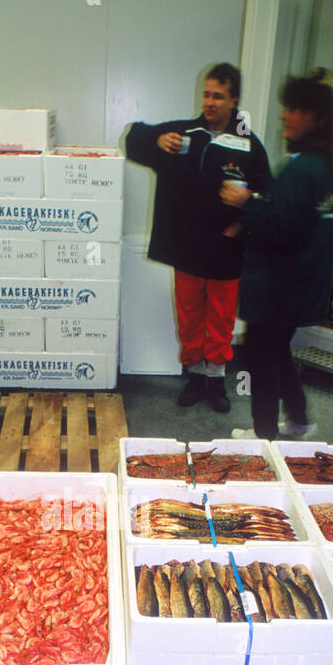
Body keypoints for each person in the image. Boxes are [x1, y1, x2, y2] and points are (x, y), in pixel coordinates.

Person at [125, 63, 271, 412]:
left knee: (220, 318)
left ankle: (217, 381)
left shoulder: (250, 145)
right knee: (189, 314)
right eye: (206, 94)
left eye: (218, 96)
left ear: (234, 99)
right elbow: (134, 137)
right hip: (187, 248)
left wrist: (243, 218)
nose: (210, 102)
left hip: (227, 250)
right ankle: (194, 377)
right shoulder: (182, 133)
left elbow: (268, 196)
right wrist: (156, 140)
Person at [219, 72, 333, 441]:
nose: (286, 116)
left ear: (316, 118)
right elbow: (299, 220)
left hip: (279, 285)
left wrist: (247, 202)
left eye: (296, 110)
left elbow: (280, 229)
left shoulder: (302, 168)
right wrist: (260, 206)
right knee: (277, 351)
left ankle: (264, 436)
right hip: (301, 284)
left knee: (260, 358)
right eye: (287, 108)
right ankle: (300, 420)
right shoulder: (323, 166)